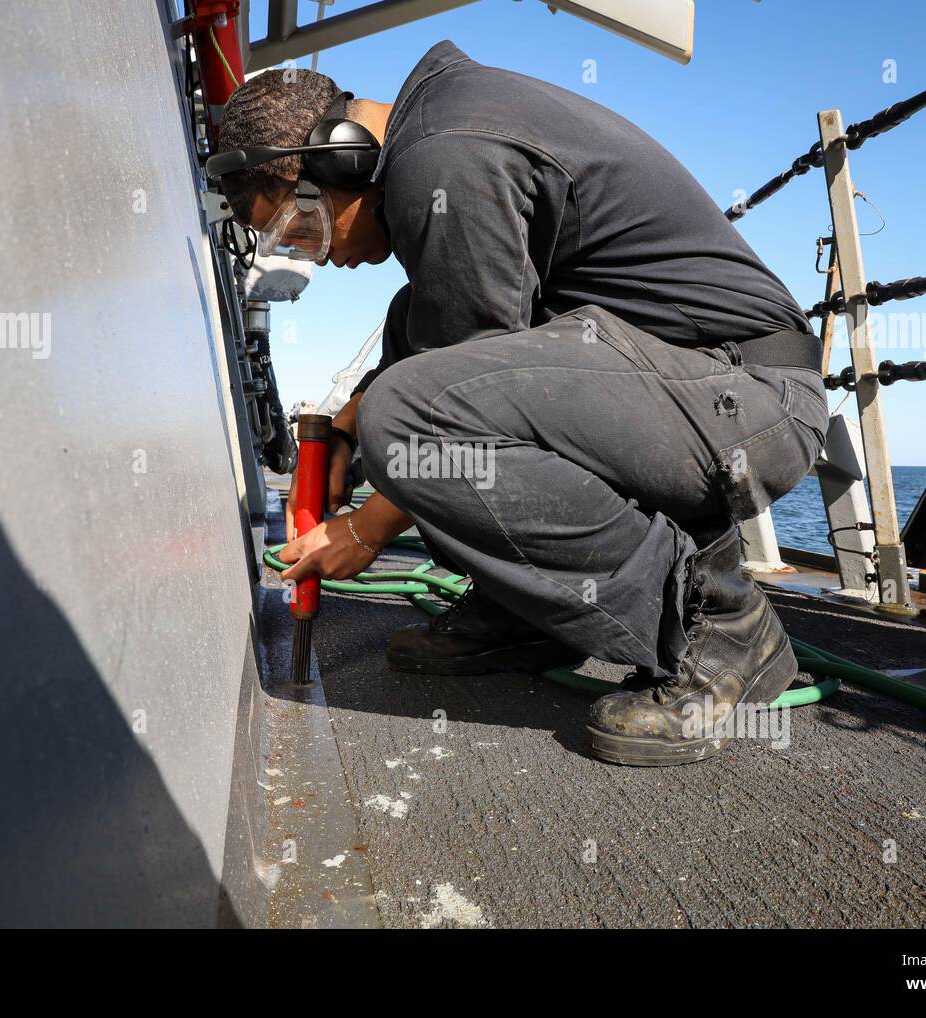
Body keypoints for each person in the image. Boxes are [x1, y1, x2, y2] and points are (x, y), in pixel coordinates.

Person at [213, 41, 829, 766]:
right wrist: (343, 431)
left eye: (303, 231)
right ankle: (529, 614)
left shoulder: (448, 157)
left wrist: (367, 529)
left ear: (341, 159)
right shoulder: (438, 134)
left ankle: (722, 624)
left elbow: (448, 403)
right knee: (408, 362)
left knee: (408, 419)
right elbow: (438, 329)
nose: (323, 259)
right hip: (690, 390)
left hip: (749, 401)